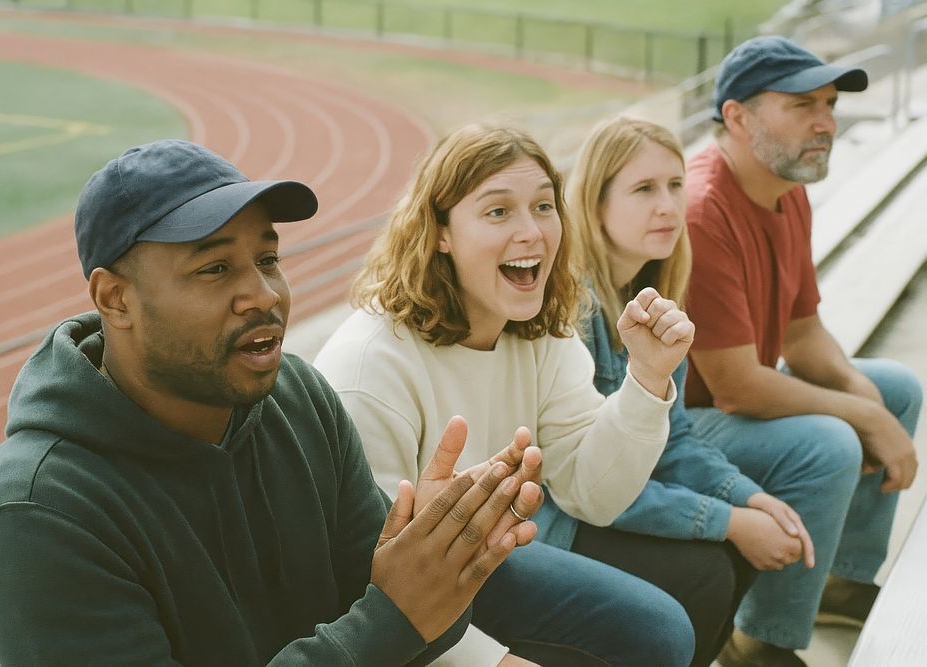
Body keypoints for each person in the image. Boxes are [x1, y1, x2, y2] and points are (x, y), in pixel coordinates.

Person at [0, 139, 547, 666]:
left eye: (268, 260)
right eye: (215, 269)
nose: (263, 295)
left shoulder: (301, 400)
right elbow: (387, 626)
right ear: (116, 300)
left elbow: (404, 632)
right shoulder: (37, 516)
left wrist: (442, 561)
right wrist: (398, 613)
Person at [314, 124, 698, 666]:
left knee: (662, 629)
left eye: (544, 207)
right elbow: (364, 580)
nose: (533, 232)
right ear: (440, 231)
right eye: (498, 212)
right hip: (383, 606)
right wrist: (491, 660)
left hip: (481, 560)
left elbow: (596, 495)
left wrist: (648, 379)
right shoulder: (369, 369)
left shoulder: (542, 330)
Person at [682, 36, 922, 666]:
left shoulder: (785, 187)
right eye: (803, 106)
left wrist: (866, 397)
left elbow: (801, 333)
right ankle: (758, 640)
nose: (827, 123)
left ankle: (837, 581)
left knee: (892, 388)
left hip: (731, 400)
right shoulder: (703, 210)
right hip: (676, 427)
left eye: (830, 105)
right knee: (832, 440)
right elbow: (737, 386)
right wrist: (863, 418)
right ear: (737, 116)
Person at [567, 115, 819, 666]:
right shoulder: (574, 309)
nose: (668, 206)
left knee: (754, 543)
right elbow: (588, 484)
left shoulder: (653, 295)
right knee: (709, 568)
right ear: (595, 202)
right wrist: (727, 520)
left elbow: (674, 441)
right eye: (643, 189)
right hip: (566, 517)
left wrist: (749, 498)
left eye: (676, 185)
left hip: (613, 499)